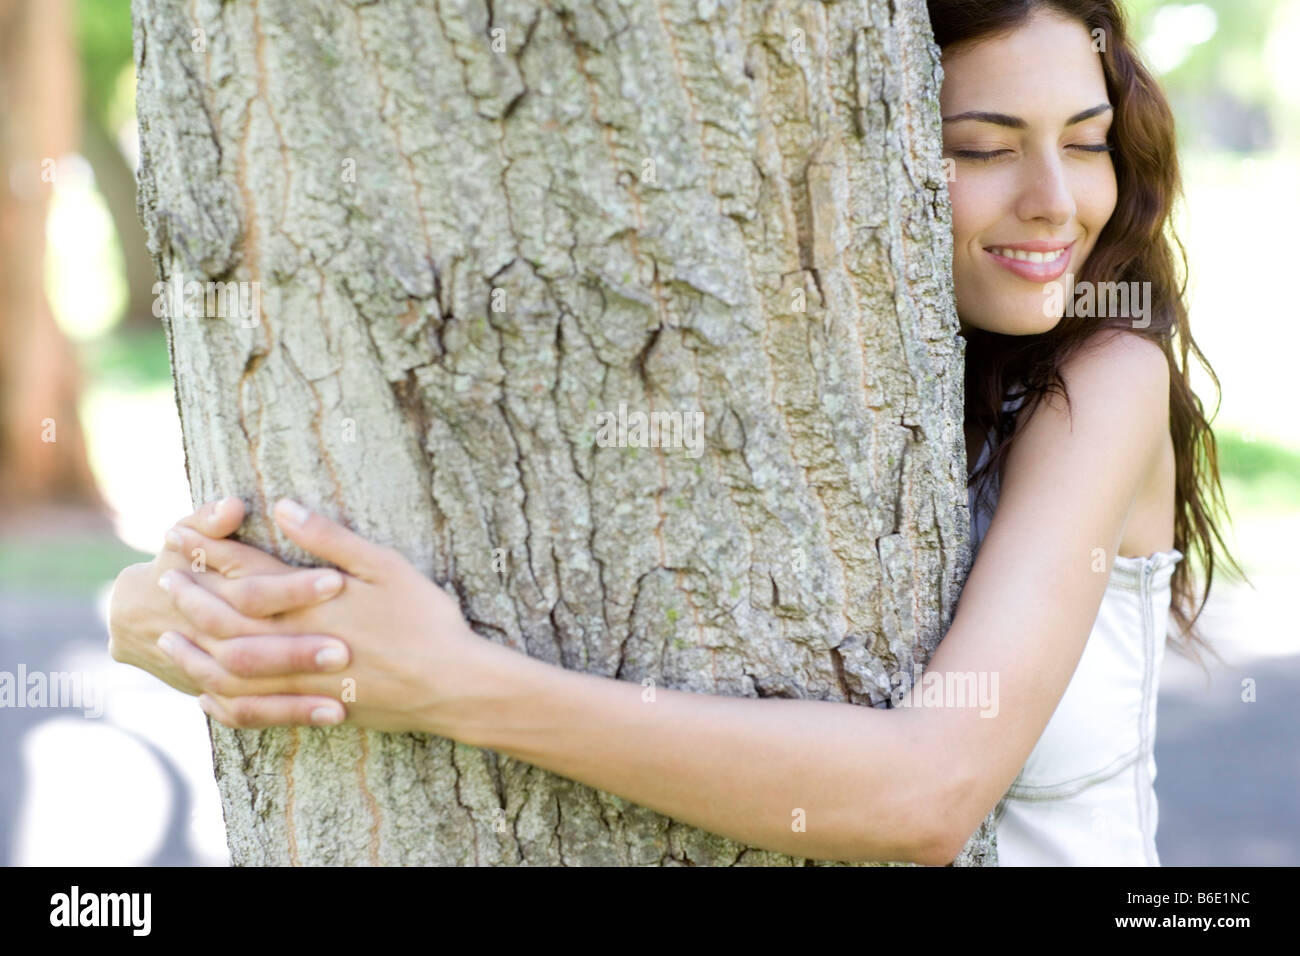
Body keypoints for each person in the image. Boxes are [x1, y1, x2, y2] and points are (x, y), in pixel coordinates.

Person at [107, 0, 1242, 866]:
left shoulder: (1106, 376)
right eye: (983, 147)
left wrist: (453, 682)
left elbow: (926, 794)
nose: (1055, 199)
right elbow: (202, 604)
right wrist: (171, 609)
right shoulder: (861, 388)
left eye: (1084, 140)